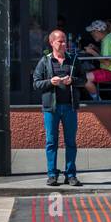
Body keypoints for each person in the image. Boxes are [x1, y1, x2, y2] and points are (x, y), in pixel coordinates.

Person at [32, 29, 87, 186]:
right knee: (51, 142)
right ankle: (52, 174)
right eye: (60, 41)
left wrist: (72, 81)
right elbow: (36, 83)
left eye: (65, 41)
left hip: (70, 107)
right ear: (52, 43)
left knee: (71, 142)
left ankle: (71, 175)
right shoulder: (45, 61)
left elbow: (83, 80)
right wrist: (51, 81)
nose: (64, 44)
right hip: (51, 109)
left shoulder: (74, 59)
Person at [84, 19, 111, 100]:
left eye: (92, 32)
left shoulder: (107, 41)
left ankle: (98, 101)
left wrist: (92, 52)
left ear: (98, 31)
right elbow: (106, 56)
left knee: (84, 79)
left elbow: (107, 63)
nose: (91, 34)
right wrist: (96, 48)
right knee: (84, 72)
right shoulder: (110, 36)